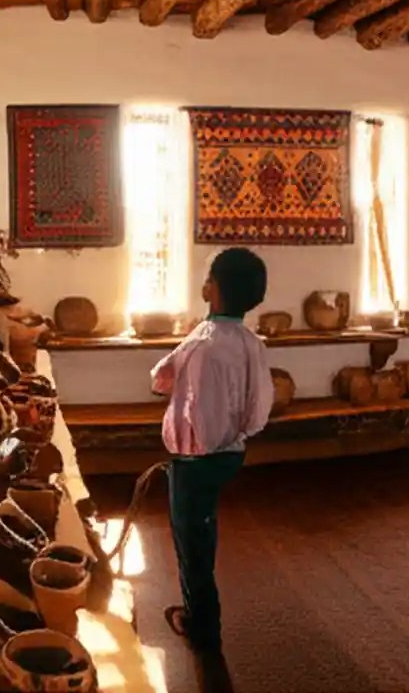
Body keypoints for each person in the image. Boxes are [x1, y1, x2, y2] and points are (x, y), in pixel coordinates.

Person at [150, 248, 274, 656]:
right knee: (203, 529)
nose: (204, 284)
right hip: (230, 453)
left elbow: (165, 382)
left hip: (196, 460)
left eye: (208, 279)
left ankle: (202, 626)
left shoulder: (203, 345)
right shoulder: (251, 342)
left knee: (191, 544)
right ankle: (200, 615)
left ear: (213, 290)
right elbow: (259, 408)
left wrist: (196, 448)